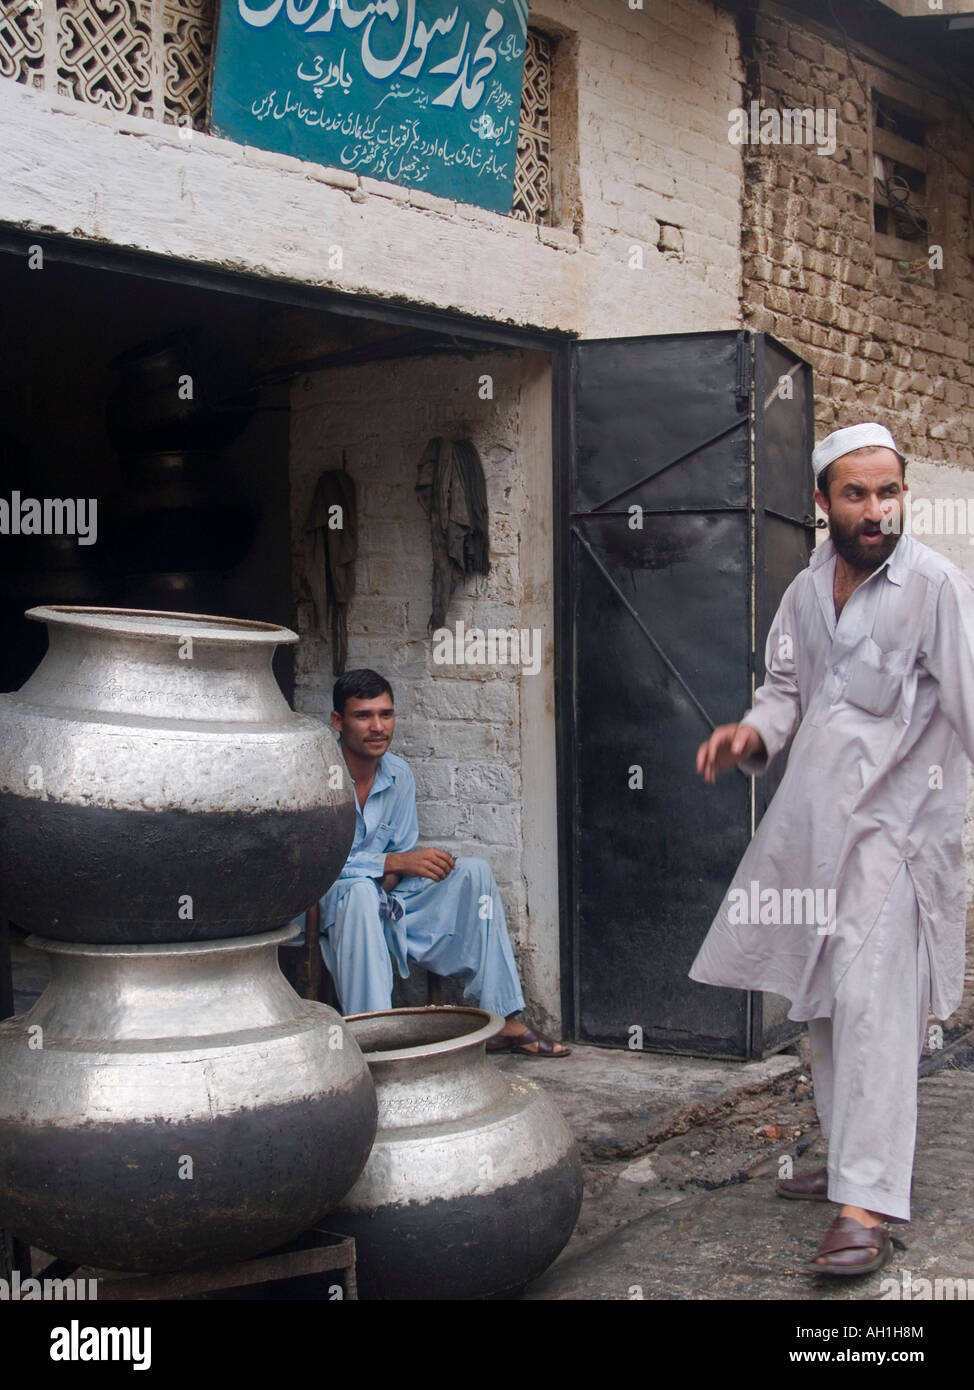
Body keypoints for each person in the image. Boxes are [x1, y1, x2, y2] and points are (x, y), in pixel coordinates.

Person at [690, 422, 974, 1275]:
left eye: (889, 492)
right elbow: (784, 690)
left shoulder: (935, 587)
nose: (877, 509)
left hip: (899, 837)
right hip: (814, 833)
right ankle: (853, 1158)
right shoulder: (807, 590)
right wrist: (751, 735)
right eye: (857, 494)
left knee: (876, 1011)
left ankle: (867, 1204)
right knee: (820, 1005)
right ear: (823, 502)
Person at [308, 667, 569, 1057]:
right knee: (360, 892)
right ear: (337, 721)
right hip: (327, 904)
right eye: (363, 716)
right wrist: (391, 863)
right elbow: (313, 868)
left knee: (472, 873)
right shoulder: (314, 775)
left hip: (386, 897)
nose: (378, 727)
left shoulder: (399, 774)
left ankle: (502, 1020)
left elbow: (401, 865)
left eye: (386, 714)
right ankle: (375, 1039)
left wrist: (395, 867)